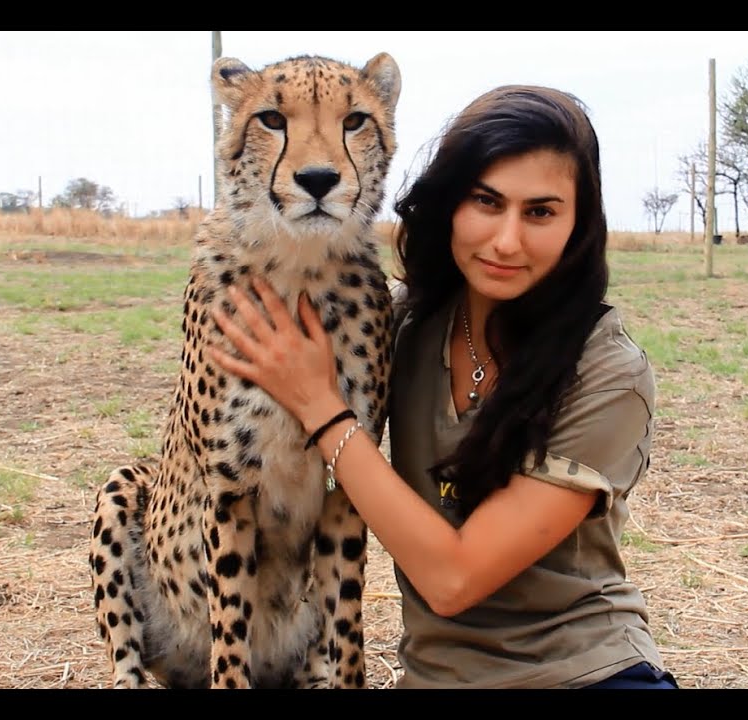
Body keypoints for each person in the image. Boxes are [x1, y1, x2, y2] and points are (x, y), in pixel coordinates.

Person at [206, 84, 677, 690]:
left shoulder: (609, 374)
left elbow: (453, 579)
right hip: (438, 678)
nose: (507, 241)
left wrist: (321, 409)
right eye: (486, 201)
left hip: (586, 671)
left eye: (540, 212)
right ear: (448, 203)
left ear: (578, 225)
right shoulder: (402, 326)